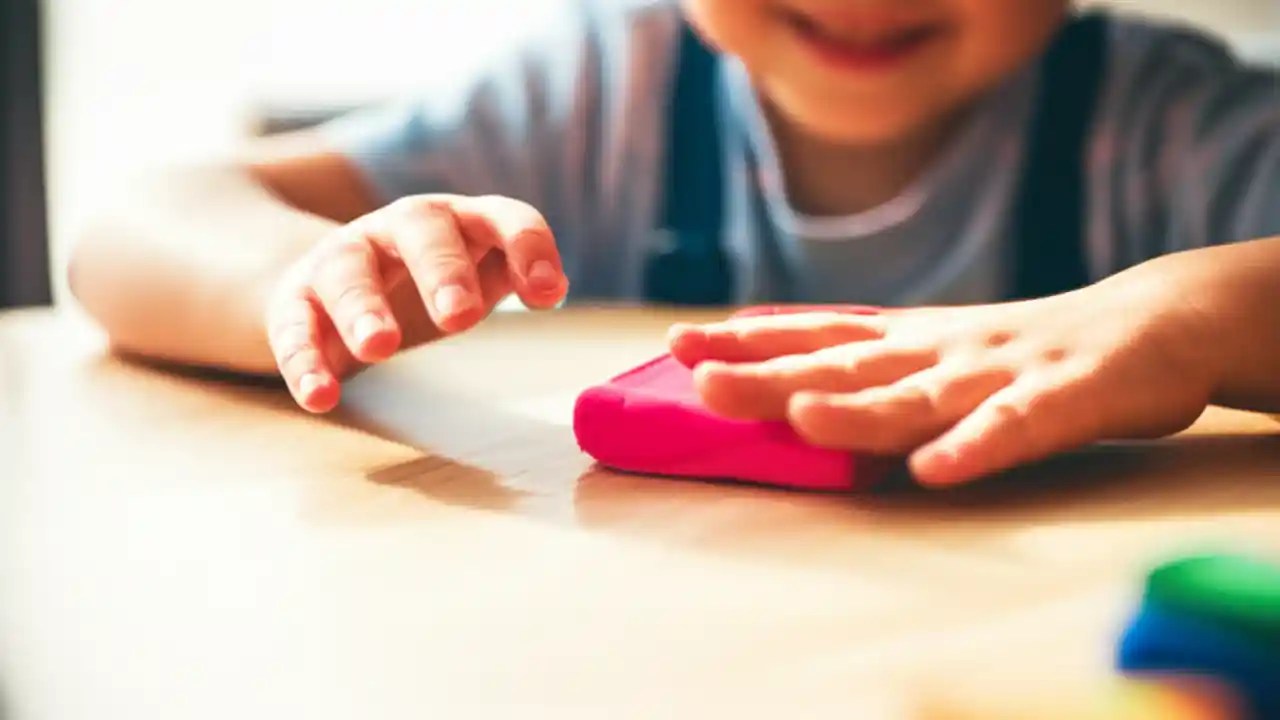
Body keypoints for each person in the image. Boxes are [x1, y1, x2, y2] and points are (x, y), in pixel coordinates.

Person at [69, 0, 1280, 487]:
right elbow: (127, 227)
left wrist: (1194, 313)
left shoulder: (1165, 127)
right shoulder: (601, 92)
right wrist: (297, 278)